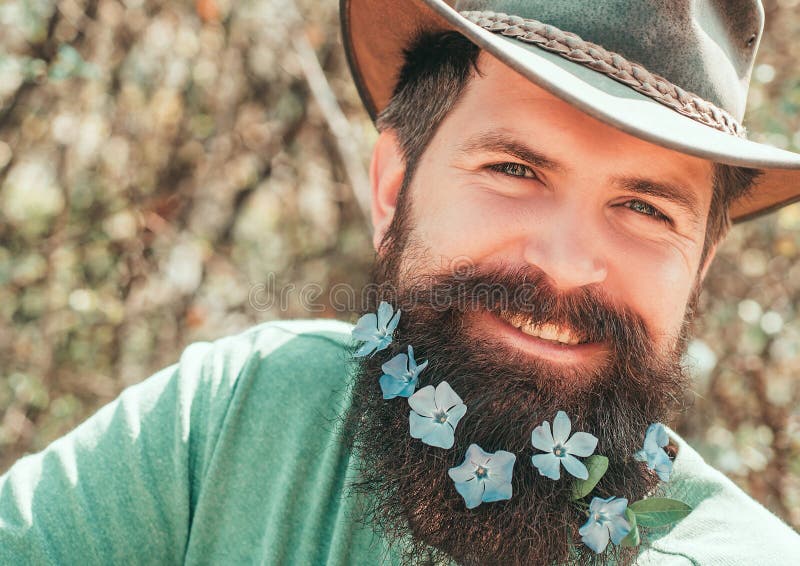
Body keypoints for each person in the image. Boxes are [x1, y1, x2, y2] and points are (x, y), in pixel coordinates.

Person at [2, 0, 800, 564]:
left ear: (701, 265)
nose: (565, 262)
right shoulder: (234, 421)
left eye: (644, 208)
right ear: (394, 187)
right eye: (514, 168)